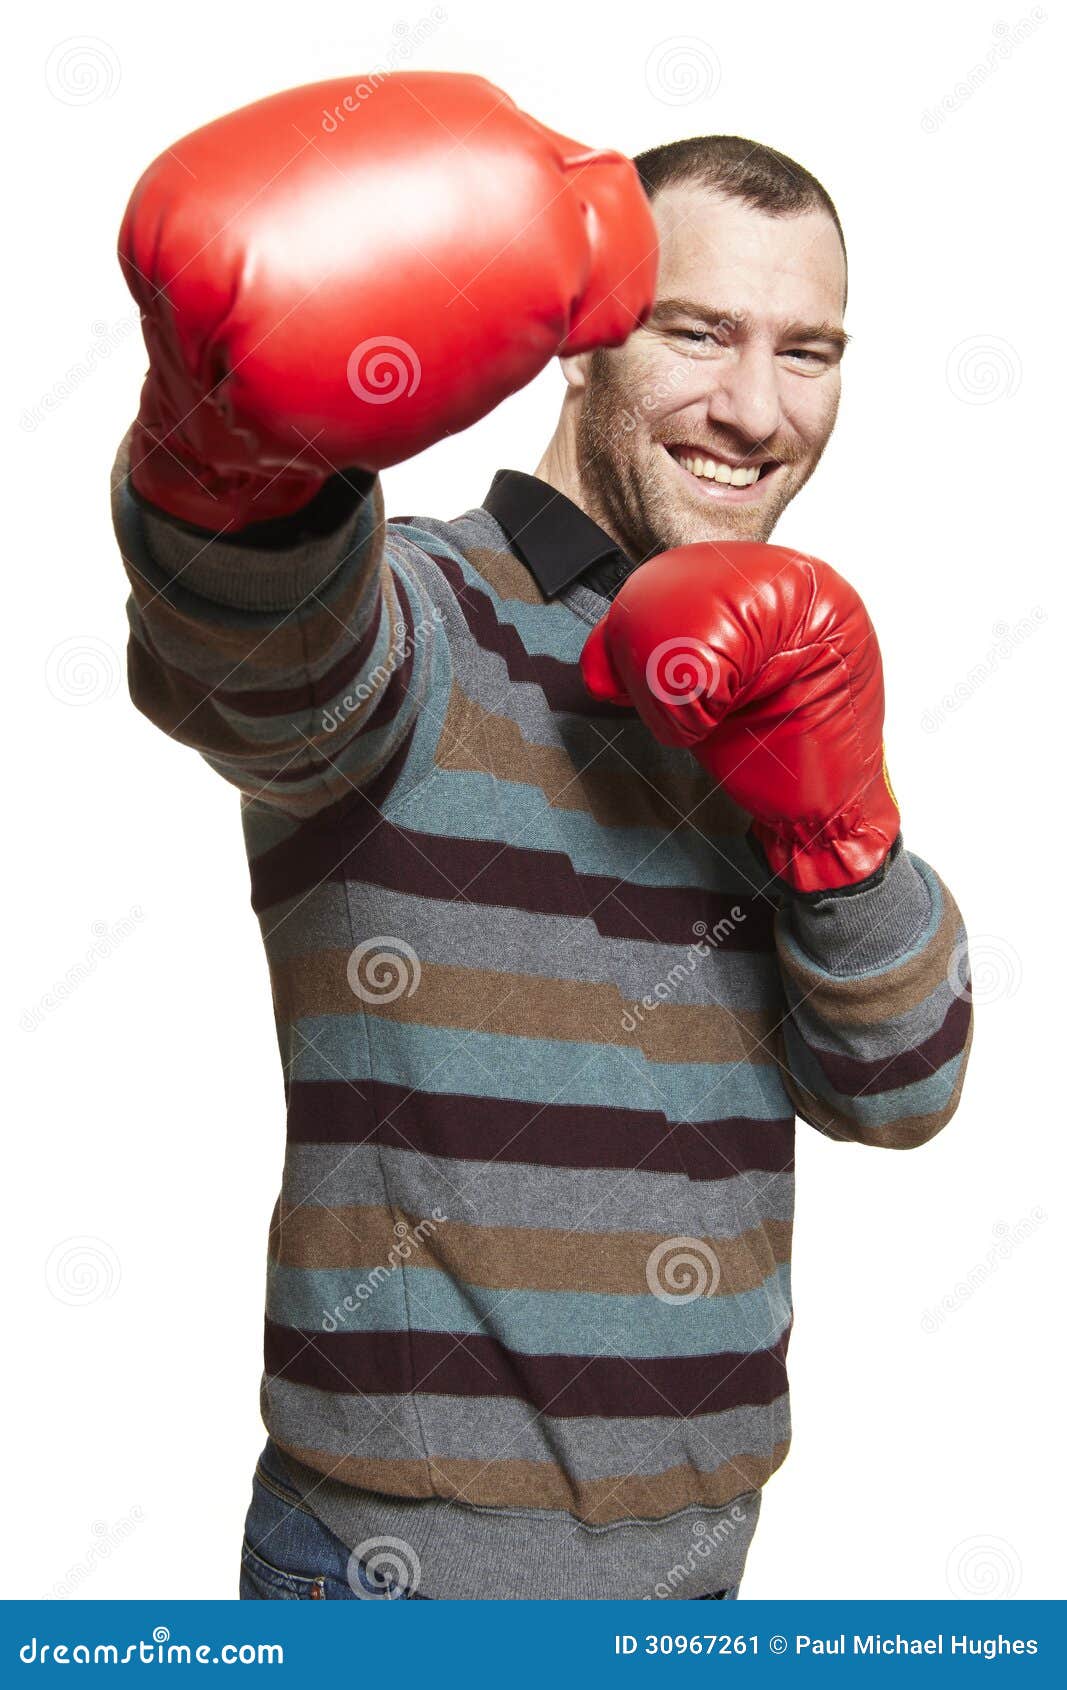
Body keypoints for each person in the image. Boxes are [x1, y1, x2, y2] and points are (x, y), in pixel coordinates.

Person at [111, 71, 972, 1601]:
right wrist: (233, 468)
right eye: (701, 331)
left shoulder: (772, 676)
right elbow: (263, 668)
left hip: (702, 1575)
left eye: (809, 351)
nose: (757, 410)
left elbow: (903, 1085)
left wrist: (839, 824)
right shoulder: (427, 613)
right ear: (584, 344)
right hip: (395, 1581)